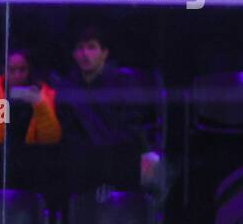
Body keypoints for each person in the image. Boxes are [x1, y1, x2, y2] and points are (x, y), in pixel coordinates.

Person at [51, 25, 161, 188]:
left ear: (104, 53)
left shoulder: (124, 85)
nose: (85, 54)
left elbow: (130, 131)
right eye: (80, 48)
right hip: (81, 169)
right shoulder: (66, 88)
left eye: (92, 47)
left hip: (118, 165)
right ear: (74, 54)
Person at [0, 48, 61, 145]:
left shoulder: (42, 93)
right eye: (12, 70)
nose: (17, 75)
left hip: (33, 156)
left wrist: (39, 103)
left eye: (22, 69)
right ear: (4, 70)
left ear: (29, 69)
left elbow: (51, 139)